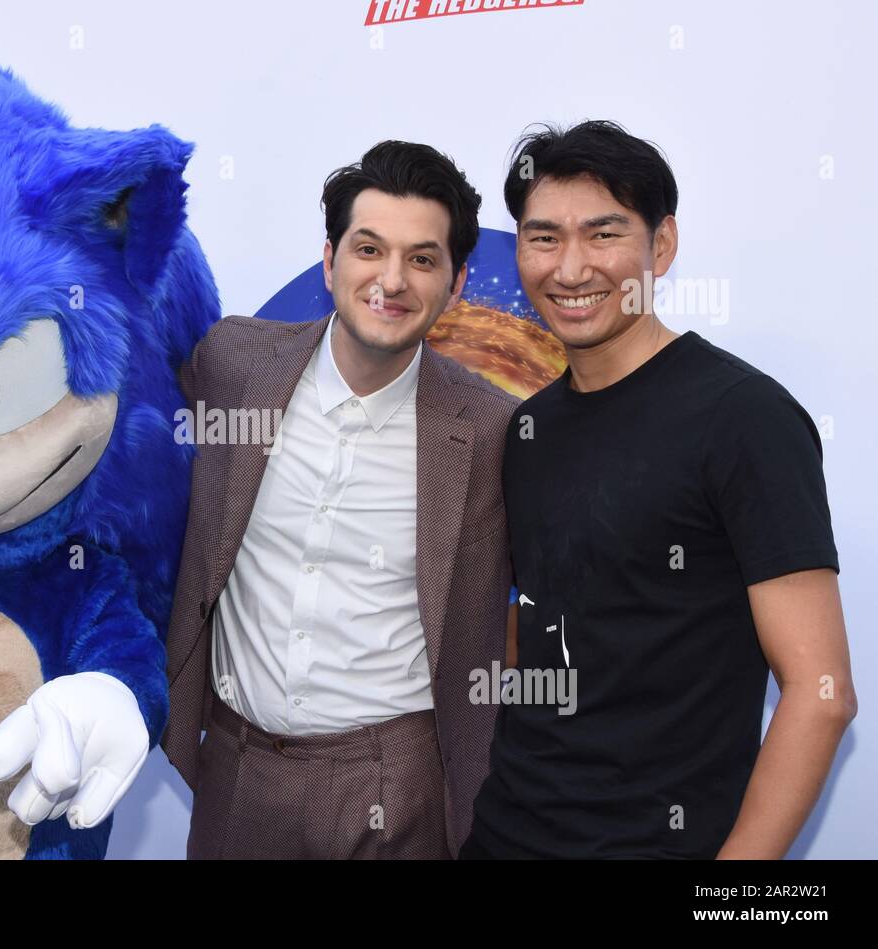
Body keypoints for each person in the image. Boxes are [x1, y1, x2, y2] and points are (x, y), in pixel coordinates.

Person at [463, 120, 858, 859]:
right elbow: (549, 629)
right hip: (504, 835)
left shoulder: (744, 416)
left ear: (662, 246)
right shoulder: (527, 429)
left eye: (603, 234)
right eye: (543, 237)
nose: (571, 267)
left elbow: (822, 693)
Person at [162, 140, 517, 858]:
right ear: (329, 262)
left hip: (394, 779)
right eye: (368, 249)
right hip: (235, 768)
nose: (391, 279)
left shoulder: (488, 431)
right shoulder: (233, 366)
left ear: (456, 285)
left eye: (422, 259)